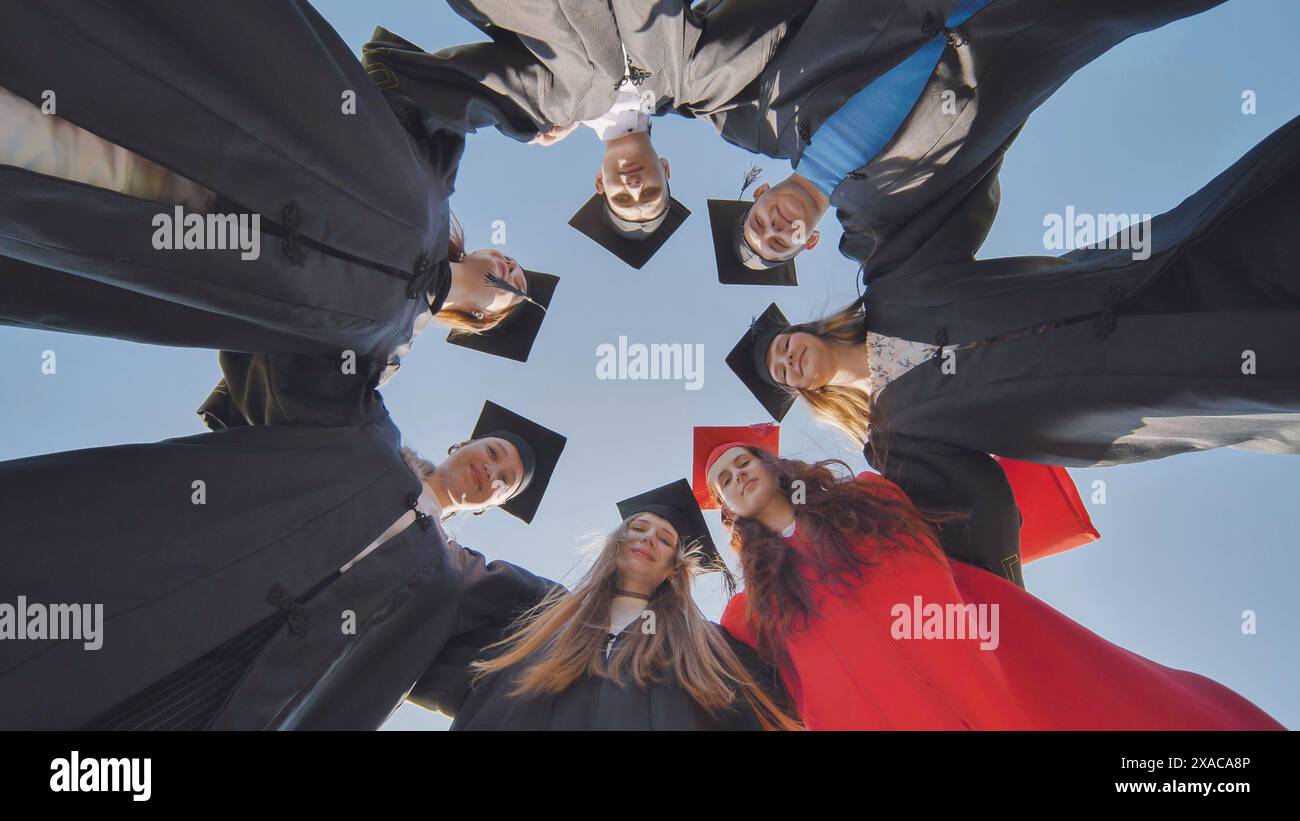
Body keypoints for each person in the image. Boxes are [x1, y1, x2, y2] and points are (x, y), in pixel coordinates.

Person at [0, 352, 566, 729]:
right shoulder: (367, 443)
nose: (490, 472)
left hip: (242, 684)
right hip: (178, 595)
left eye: (504, 483)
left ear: (493, 506)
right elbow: (309, 365)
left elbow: (556, 613)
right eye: (491, 453)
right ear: (463, 443)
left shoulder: (454, 576)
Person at [723, 116, 1300, 468]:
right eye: (782, 373)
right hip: (1141, 393)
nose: (788, 359)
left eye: (782, 346)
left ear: (803, 330)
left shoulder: (894, 279)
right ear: (802, 389)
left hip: (1128, 278)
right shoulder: (894, 437)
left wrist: (858, 215)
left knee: (1265, 224)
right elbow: (972, 516)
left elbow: (951, 186)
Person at [0, 0, 551, 362]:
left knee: (32, 169)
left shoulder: (381, 354)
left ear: (480, 318)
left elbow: (299, 421)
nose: (508, 272)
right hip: (200, 123)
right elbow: (429, 90)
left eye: (513, 292)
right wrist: (529, 111)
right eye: (512, 263)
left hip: (151, 229)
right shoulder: (434, 179)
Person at [697, 427, 1285, 730]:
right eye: (724, 478)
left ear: (772, 464)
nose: (737, 473)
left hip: (985, 664)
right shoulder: (748, 611)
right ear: (726, 509)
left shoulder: (868, 501)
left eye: (743, 460)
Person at [703, 0, 1224, 275]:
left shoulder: (764, 116)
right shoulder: (879, 220)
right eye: (780, 244)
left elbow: (693, 64)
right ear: (809, 242)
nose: (775, 228)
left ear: (758, 196)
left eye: (758, 225)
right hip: (1032, 23)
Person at [362, 0, 814, 268]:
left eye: (622, 198)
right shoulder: (694, 84)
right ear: (666, 168)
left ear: (601, 184)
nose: (634, 187)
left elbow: (416, 94)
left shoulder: (545, 104)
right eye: (651, 192)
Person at [411, 479, 799, 730]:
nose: (647, 539)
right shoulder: (540, 612)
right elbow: (448, 582)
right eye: (638, 528)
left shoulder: (708, 647)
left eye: (664, 539)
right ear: (615, 543)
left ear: (673, 570)